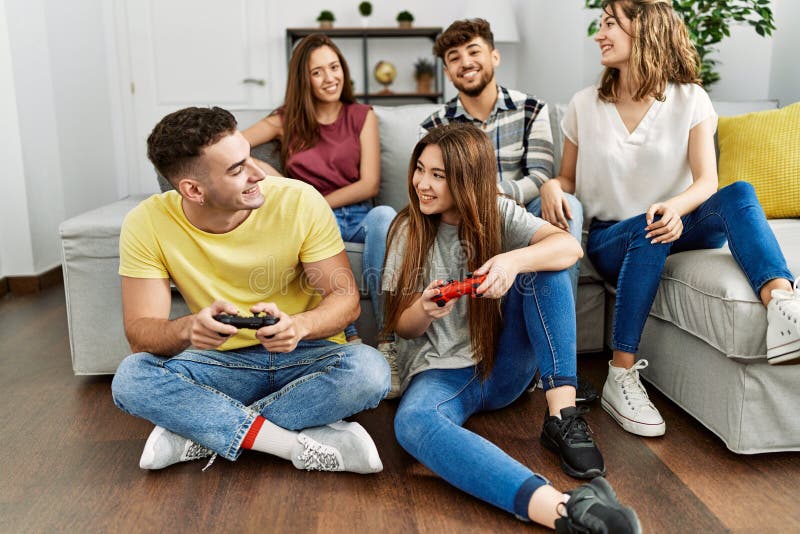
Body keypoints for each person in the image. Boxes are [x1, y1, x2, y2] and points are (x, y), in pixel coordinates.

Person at [554, 0, 799, 437]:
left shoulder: (691, 99)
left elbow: (707, 182)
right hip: (612, 237)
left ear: (645, 30)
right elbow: (567, 178)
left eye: (611, 23)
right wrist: (551, 187)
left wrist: (676, 207)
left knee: (738, 193)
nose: (599, 34)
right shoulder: (584, 104)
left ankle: (782, 304)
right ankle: (621, 374)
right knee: (651, 228)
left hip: (679, 222)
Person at [383, 123, 639, 532]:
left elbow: (569, 247)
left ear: (467, 181)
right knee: (411, 424)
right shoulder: (404, 229)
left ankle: (563, 417)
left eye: (438, 175)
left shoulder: (497, 214)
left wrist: (512, 261)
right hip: (440, 377)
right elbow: (401, 326)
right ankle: (562, 510)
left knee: (547, 264)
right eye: (420, 169)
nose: (421, 184)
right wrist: (424, 309)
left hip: (501, 368)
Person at [111, 106, 390, 473]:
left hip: (305, 357)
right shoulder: (146, 223)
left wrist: (300, 326)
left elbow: (346, 301)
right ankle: (289, 444)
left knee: (370, 371)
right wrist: (187, 327)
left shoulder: (299, 200)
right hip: (222, 364)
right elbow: (140, 333)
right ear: (193, 189)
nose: (259, 173)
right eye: (237, 169)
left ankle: (201, 430)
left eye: (250, 158)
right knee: (131, 378)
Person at [420, 18, 597, 404]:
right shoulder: (435, 124)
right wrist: (479, 202)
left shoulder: (531, 108)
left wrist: (496, 194)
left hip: (520, 213)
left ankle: (557, 360)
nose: (465, 62)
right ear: (448, 72)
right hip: (466, 219)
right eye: (454, 57)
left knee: (570, 207)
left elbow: (539, 175)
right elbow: (430, 188)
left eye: (473, 51)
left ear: (494, 56)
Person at [242, 34, 396, 347]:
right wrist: (273, 178)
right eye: (317, 72)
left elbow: (369, 184)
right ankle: (347, 334)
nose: (330, 78)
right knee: (298, 236)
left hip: (357, 217)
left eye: (334, 67)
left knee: (385, 216)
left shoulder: (362, 116)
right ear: (304, 80)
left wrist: (318, 202)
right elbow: (231, 147)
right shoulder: (285, 121)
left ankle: (388, 339)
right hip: (309, 221)